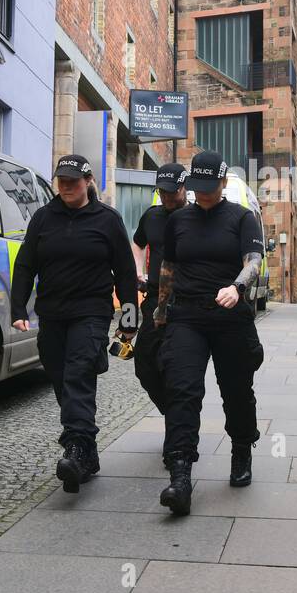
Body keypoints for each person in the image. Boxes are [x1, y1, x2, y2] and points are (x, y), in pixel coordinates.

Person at [11, 153, 138, 493]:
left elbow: (125, 273)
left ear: (88, 182)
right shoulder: (43, 218)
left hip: (92, 313)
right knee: (59, 377)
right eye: (61, 181)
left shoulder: (107, 220)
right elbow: (25, 265)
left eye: (73, 181)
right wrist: (18, 309)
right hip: (52, 314)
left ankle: (76, 448)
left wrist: (128, 322)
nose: (66, 187)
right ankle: (87, 452)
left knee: (78, 374)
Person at [154, 151, 265, 515]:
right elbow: (169, 267)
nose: (201, 194)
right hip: (186, 315)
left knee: (236, 391)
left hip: (230, 316)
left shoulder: (242, 218)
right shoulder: (179, 220)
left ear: (222, 182)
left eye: (209, 187)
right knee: (182, 390)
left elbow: (254, 261)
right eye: (196, 188)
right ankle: (181, 473)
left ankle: (241, 446)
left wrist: (237, 286)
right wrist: (160, 308)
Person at [131, 162, 187, 413]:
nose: (166, 197)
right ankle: (171, 411)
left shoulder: (194, 216)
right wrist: (138, 270)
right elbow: (138, 243)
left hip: (185, 301)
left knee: (176, 366)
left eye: (172, 192)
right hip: (153, 299)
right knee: (144, 364)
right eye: (162, 192)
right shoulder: (152, 215)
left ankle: (179, 423)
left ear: (184, 187)